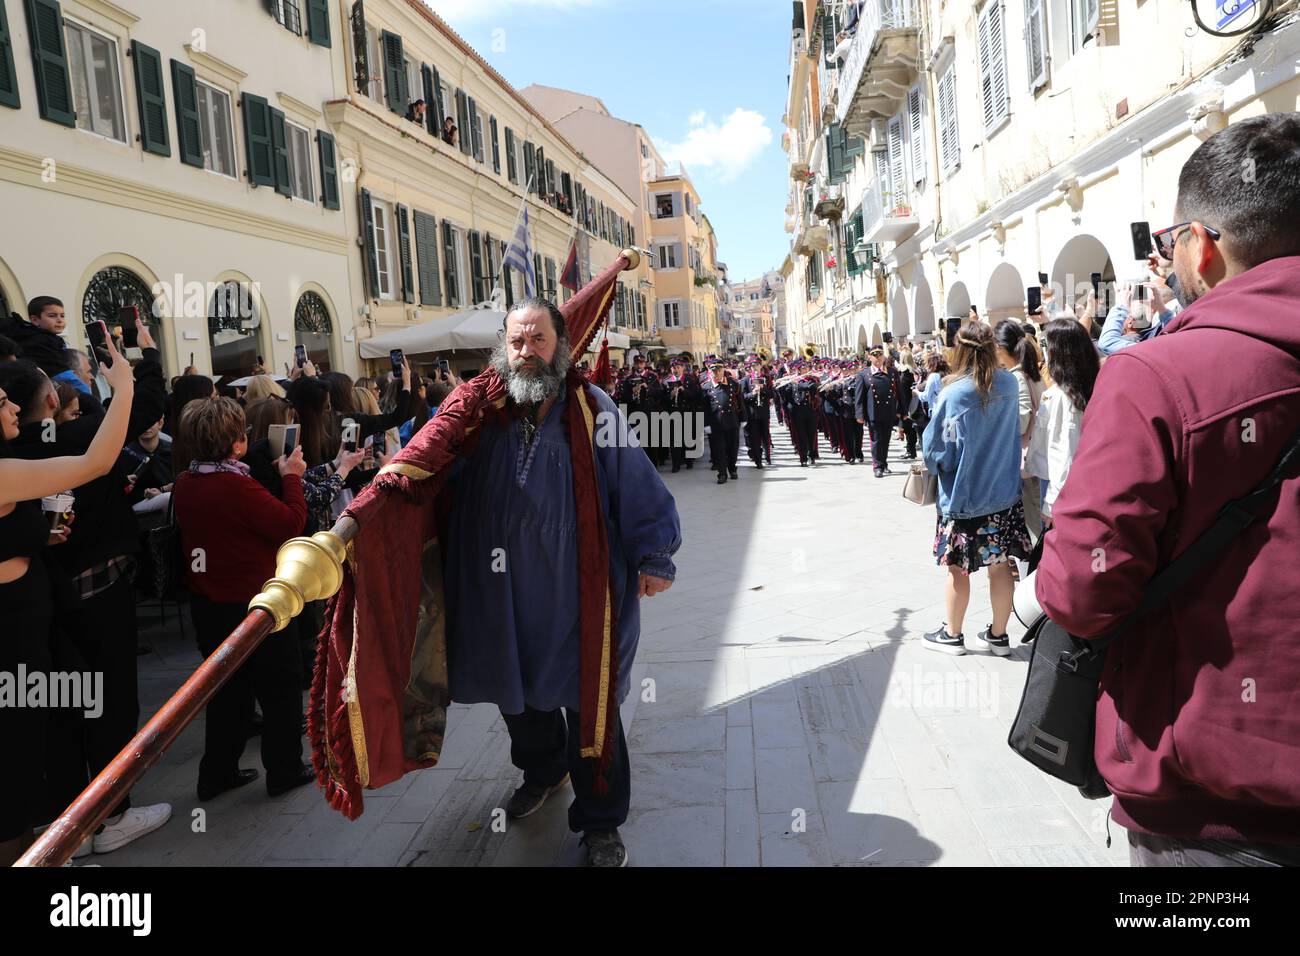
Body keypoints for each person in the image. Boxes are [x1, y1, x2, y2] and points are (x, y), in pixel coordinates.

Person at [1036, 113, 1300, 866]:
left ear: (1201, 244)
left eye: (1170, 241)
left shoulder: (1157, 376)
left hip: (1212, 808)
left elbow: (1081, 593)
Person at [442, 297, 681, 867]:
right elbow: (436, 471)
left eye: (538, 340)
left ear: (561, 346)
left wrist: (653, 554)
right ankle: (543, 771)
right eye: (517, 342)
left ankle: (600, 821)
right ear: (504, 348)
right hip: (500, 596)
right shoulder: (480, 413)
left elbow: (635, 483)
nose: (526, 352)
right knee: (516, 693)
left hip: (578, 594)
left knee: (589, 704)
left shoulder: (593, 409)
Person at [0, 327, 173, 858]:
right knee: (89, 714)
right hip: (34, 628)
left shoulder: (20, 460)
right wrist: (127, 378)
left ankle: (65, 830)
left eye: (8, 399)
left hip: (42, 625)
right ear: (50, 398)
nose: (6, 407)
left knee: (51, 734)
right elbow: (102, 453)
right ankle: (98, 820)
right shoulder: (35, 456)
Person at [172, 397, 316, 802]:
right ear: (236, 444)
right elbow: (291, 523)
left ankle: (216, 774)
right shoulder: (235, 485)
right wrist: (291, 477)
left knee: (227, 694)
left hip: (208, 604)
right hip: (255, 606)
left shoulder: (187, 482)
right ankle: (284, 769)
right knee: (280, 689)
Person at [920, 322, 1029, 656]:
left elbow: (938, 451)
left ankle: (952, 634)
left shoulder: (954, 394)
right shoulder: (1009, 382)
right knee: (1000, 564)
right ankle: (998, 635)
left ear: (960, 349)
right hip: (1004, 493)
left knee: (958, 569)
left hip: (965, 498)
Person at [1023, 318, 1099, 524]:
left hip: (1060, 488)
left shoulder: (1063, 398)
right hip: (1084, 485)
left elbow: (1063, 452)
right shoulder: (1093, 386)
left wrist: (1051, 504)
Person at [993, 320, 1045, 539]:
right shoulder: (1030, 373)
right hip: (1037, 458)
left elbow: (1022, 420)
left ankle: (1040, 571)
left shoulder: (1017, 377)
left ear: (999, 347)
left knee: (1035, 530)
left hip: (1027, 463)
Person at [855, 348, 898, 477]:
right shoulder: (863, 374)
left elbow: (899, 393)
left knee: (886, 439)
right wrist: (859, 414)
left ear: (883, 357)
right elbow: (859, 397)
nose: (878, 358)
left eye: (880, 355)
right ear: (870, 358)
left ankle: (883, 463)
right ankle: (877, 466)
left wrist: (902, 410)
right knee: (876, 440)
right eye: (875, 356)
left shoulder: (891, 372)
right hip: (873, 412)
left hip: (888, 411)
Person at [702, 359, 744, 483]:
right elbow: (704, 408)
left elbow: (740, 402)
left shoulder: (733, 383)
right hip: (716, 423)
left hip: (732, 421)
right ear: (710, 371)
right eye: (714, 370)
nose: (716, 372)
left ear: (723, 370)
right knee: (719, 449)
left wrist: (743, 418)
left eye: (719, 370)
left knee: (733, 448)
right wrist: (706, 424)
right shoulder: (706, 386)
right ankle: (722, 473)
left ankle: (732, 469)